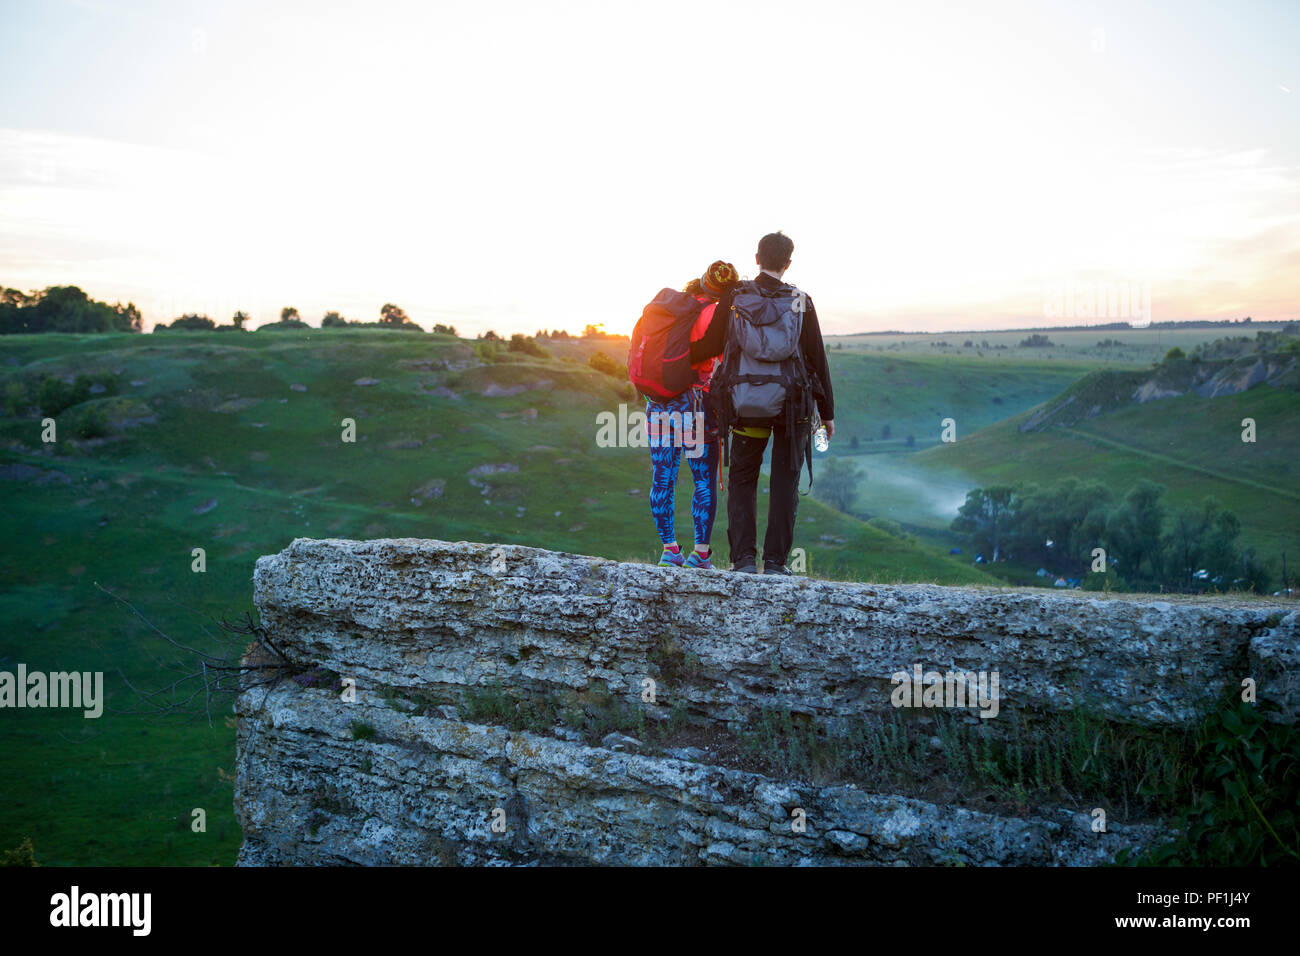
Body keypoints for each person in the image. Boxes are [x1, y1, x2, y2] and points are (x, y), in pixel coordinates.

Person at [690, 232, 835, 575]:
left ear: (756, 259)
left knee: (743, 479)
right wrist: (827, 413)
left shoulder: (734, 296)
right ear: (787, 264)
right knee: (785, 481)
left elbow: (711, 346)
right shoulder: (801, 301)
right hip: (792, 409)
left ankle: (742, 560)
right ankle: (775, 564)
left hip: (746, 405)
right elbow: (816, 359)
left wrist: (676, 356)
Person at [645, 260, 739, 568]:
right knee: (702, 478)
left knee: (662, 477)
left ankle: (669, 549)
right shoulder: (714, 312)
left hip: (657, 403)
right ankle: (700, 554)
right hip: (694, 403)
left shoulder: (674, 310)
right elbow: (724, 359)